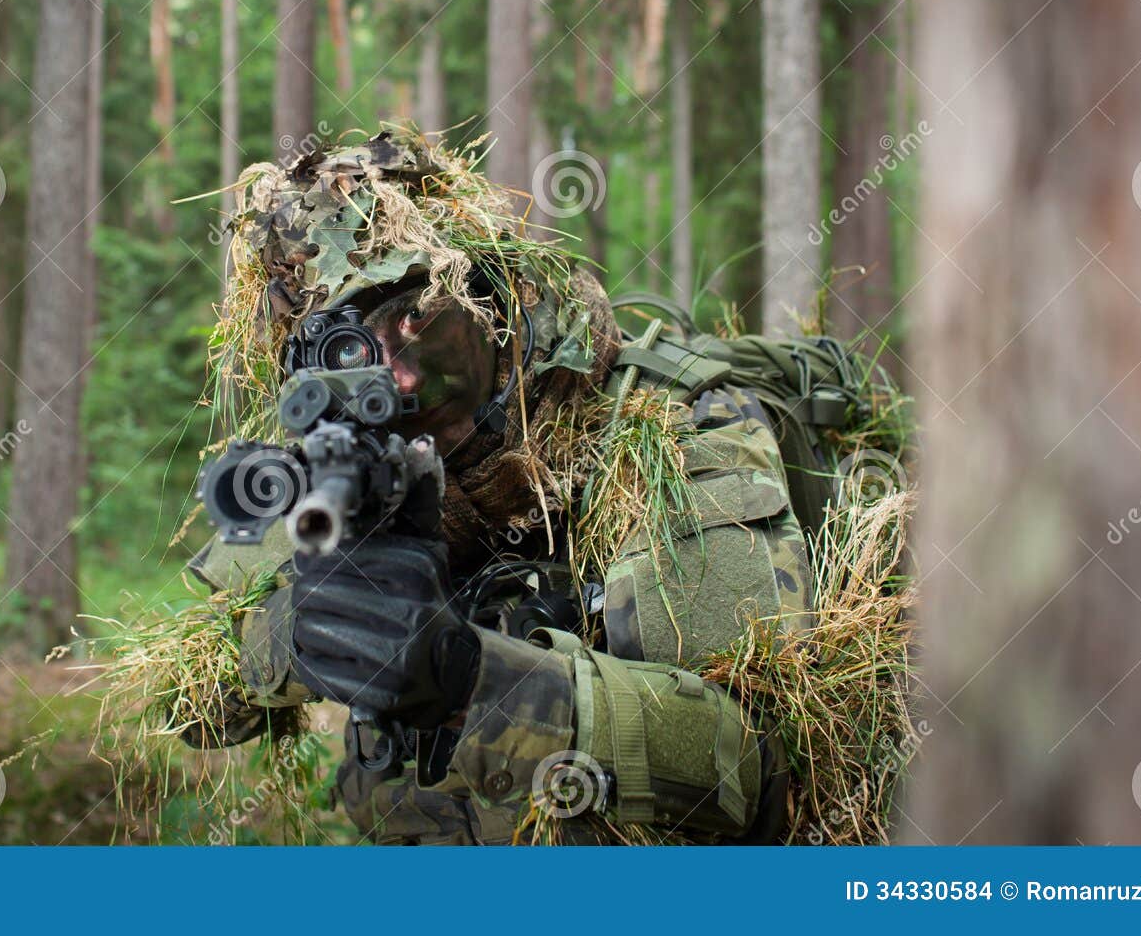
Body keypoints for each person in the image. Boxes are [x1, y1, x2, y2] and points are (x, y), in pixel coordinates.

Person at [183, 133, 812, 844]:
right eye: (351, 349)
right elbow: (196, 703)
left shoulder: (671, 433)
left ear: (486, 293)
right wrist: (307, 628)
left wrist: (473, 682)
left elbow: (755, 771)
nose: (404, 378)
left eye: (416, 315)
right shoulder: (341, 471)